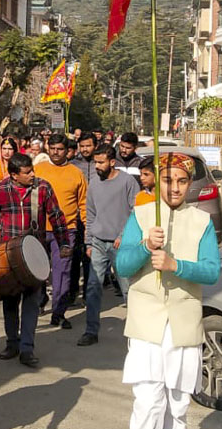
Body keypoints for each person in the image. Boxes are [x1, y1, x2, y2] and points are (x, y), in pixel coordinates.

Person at [117, 153, 220, 429]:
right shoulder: (141, 215)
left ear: (190, 183)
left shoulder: (202, 222)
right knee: (148, 403)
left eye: (182, 181)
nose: (175, 188)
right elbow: (122, 266)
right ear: (158, 181)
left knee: (177, 404)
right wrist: (145, 247)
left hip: (183, 324)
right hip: (146, 324)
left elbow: (212, 271)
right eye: (167, 180)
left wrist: (176, 265)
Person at [0, 153, 71, 367]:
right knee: (10, 302)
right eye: (27, 172)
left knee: (31, 304)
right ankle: (12, 343)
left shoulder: (43, 188)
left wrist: (64, 244)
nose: (32, 174)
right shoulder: (0, 191)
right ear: (14, 175)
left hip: (36, 256)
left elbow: (57, 217)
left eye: (32, 170)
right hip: (7, 256)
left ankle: (27, 349)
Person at [80, 143, 142, 347]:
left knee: (127, 288)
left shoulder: (128, 182)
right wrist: (88, 242)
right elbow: (90, 215)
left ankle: (137, 333)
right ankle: (91, 331)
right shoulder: (94, 184)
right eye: (95, 162)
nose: (96, 166)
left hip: (121, 245)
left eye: (100, 162)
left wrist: (123, 235)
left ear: (112, 162)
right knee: (92, 286)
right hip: (98, 242)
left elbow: (136, 211)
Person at [34, 133, 87, 329]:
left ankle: (59, 312)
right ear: (48, 148)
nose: (56, 153)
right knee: (37, 271)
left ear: (68, 151)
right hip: (39, 228)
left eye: (60, 149)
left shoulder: (76, 173)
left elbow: (83, 204)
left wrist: (87, 230)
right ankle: (39, 302)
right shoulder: (38, 170)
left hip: (66, 231)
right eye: (52, 148)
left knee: (62, 273)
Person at [69, 133, 98, 304]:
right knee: (74, 255)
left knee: (91, 255)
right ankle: (72, 291)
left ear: (95, 145)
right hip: (76, 216)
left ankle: (89, 291)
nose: (85, 149)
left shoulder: (100, 164)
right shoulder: (73, 165)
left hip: (96, 216)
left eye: (89, 145)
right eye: (83, 146)